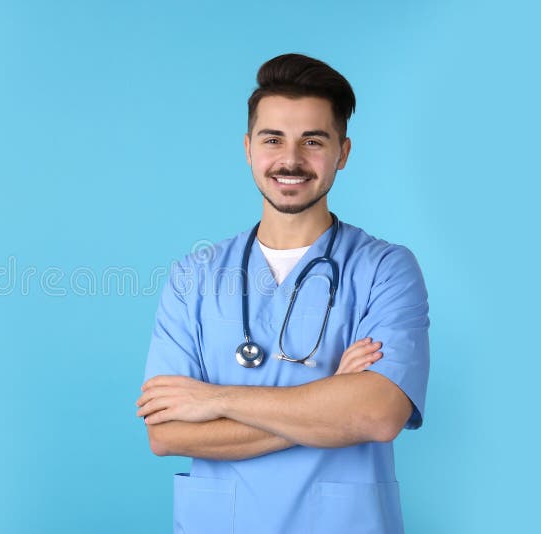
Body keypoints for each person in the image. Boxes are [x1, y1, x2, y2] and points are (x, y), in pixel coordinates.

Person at [136, 53, 430, 534]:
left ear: (343, 152)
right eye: (273, 139)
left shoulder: (385, 269)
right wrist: (331, 401)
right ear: (249, 148)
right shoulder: (194, 276)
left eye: (313, 141)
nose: (290, 160)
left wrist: (215, 399)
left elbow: (377, 416)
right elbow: (165, 434)